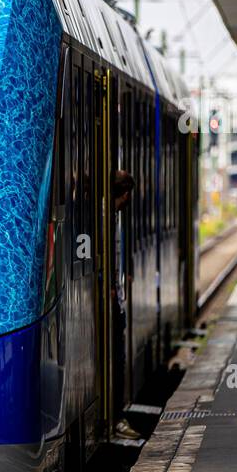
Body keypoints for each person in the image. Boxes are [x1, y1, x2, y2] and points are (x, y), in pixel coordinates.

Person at [111, 170, 138, 441]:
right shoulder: (108, 220)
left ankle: (117, 416)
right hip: (114, 303)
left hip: (116, 298)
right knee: (117, 359)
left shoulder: (110, 219)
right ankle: (116, 417)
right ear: (126, 194)